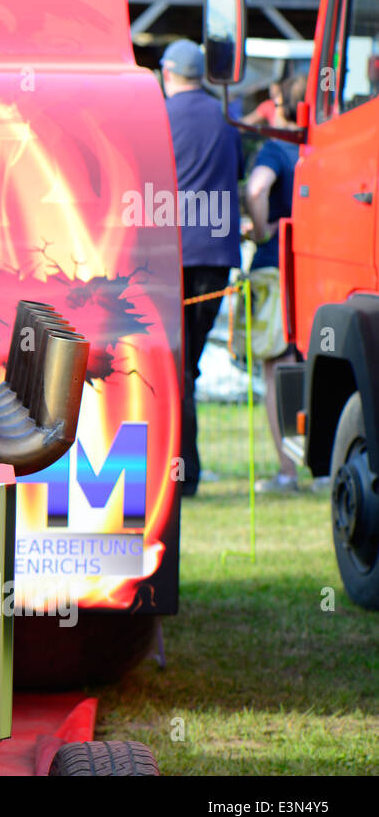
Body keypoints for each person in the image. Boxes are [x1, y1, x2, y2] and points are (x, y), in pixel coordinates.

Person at [161, 38, 244, 497]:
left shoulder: (161, 115)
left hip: (173, 255)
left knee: (174, 365)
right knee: (187, 365)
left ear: (169, 73)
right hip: (216, 259)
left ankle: (180, 472)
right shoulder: (226, 119)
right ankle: (186, 469)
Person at [244, 74, 308, 493]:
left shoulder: (275, 148)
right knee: (306, 367)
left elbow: (257, 187)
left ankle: (288, 470)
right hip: (313, 264)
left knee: (275, 369)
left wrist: (263, 229)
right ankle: (318, 465)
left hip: (274, 264)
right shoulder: (318, 149)